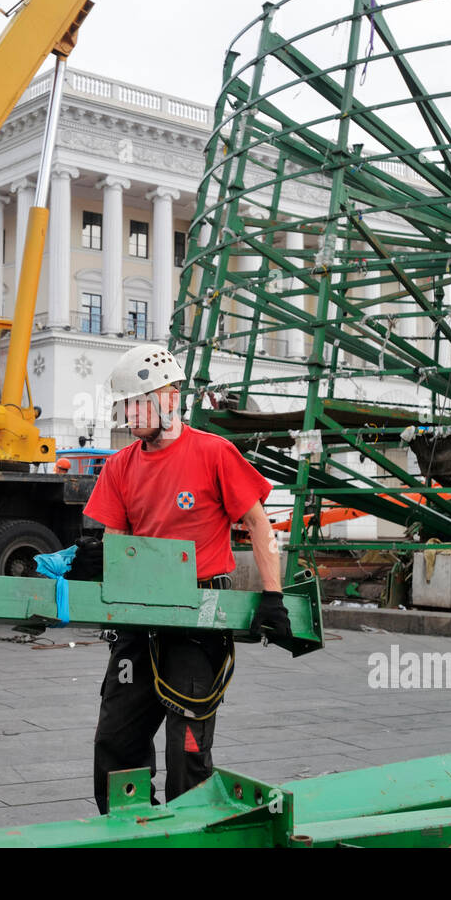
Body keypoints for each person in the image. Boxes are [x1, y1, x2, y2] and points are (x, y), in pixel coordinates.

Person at [80, 345, 291, 814]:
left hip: (198, 617)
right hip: (140, 618)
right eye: (125, 406)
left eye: (137, 403)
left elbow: (259, 525)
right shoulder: (120, 466)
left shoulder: (214, 453)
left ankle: (189, 833)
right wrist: (96, 567)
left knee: (186, 752)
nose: (130, 416)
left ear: (169, 400)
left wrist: (272, 595)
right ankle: (131, 830)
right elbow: (116, 543)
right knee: (114, 742)